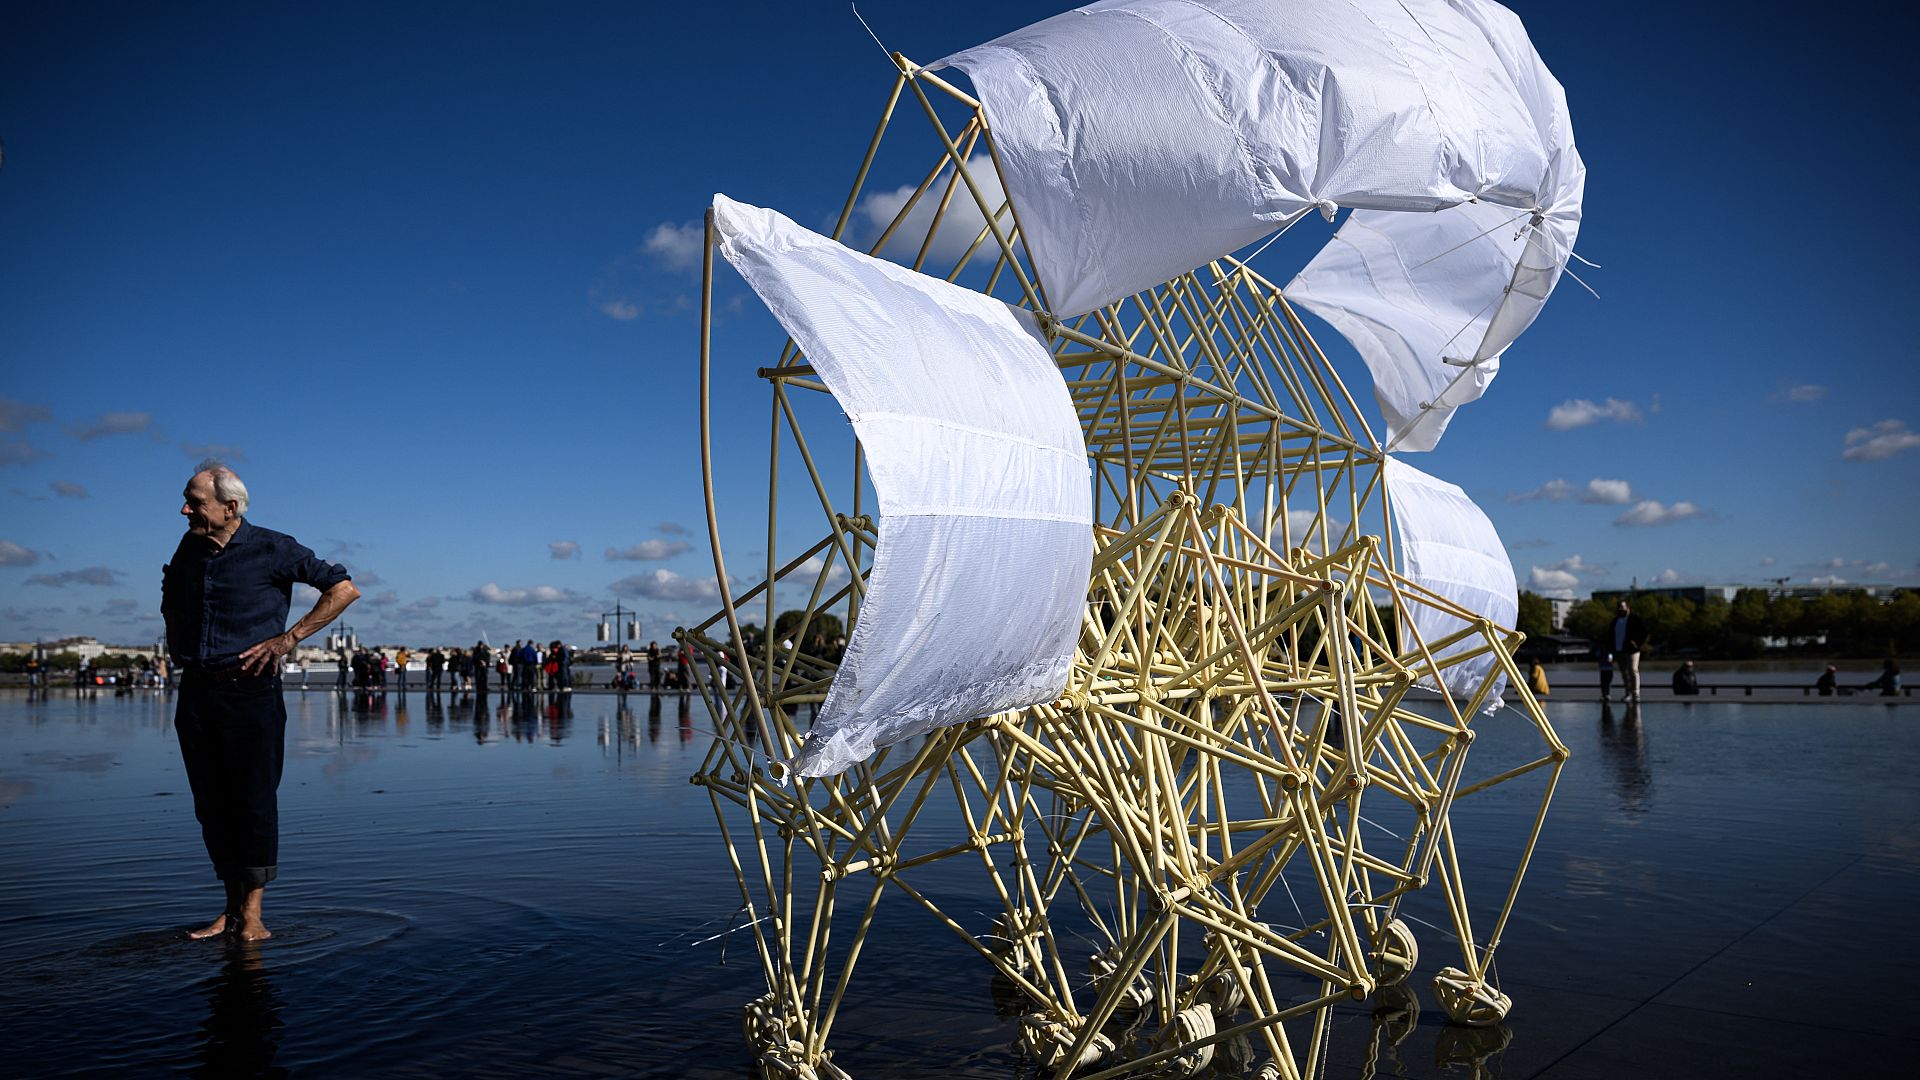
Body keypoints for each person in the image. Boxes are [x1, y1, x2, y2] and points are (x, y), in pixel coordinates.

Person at [162, 461, 360, 941]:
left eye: (196, 501)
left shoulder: (274, 547)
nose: (184, 508)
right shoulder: (190, 547)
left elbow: (343, 589)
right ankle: (228, 909)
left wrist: (287, 639)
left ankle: (252, 914)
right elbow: (173, 599)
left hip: (250, 689)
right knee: (211, 804)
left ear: (230, 507)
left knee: (251, 801)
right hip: (197, 689)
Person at [1610, 600, 1648, 704]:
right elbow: (1610, 636)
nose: (1620, 609)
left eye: (1622, 607)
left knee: (1633, 670)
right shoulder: (1615, 621)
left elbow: (1644, 631)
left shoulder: (1635, 619)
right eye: (1619, 607)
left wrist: (1637, 643)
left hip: (1632, 650)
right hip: (1619, 650)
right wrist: (1611, 650)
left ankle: (1636, 694)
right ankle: (1628, 693)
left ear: (1627, 607)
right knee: (1624, 673)